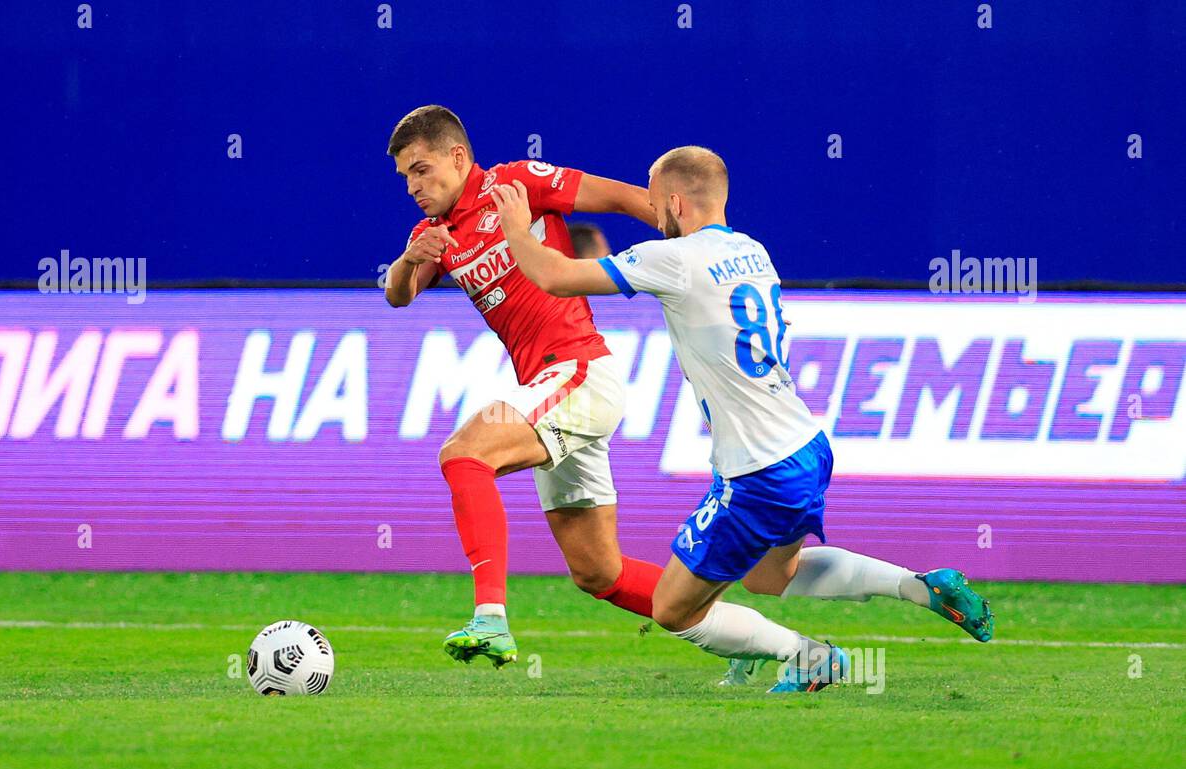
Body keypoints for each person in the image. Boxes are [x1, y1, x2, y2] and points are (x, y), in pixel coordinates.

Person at [488, 145, 994, 692]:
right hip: (805, 445)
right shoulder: (753, 251)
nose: (653, 214)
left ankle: (807, 657)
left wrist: (517, 227)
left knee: (672, 608)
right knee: (772, 575)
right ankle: (921, 585)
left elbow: (557, 277)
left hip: (757, 469)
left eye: (656, 202)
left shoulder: (675, 258)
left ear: (675, 202)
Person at [384, 105, 662, 668]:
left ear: (458, 157)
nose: (413, 186)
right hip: (547, 387)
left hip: (578, 371)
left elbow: (620, 197)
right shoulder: (433, 234)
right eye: (405, 177)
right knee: (599, 571)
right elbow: (400, 294)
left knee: (464, 456)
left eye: (421, 169)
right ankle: (753, 636)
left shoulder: (516, 184)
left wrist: (690, 240)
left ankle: (491, 618)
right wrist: (407, 260)